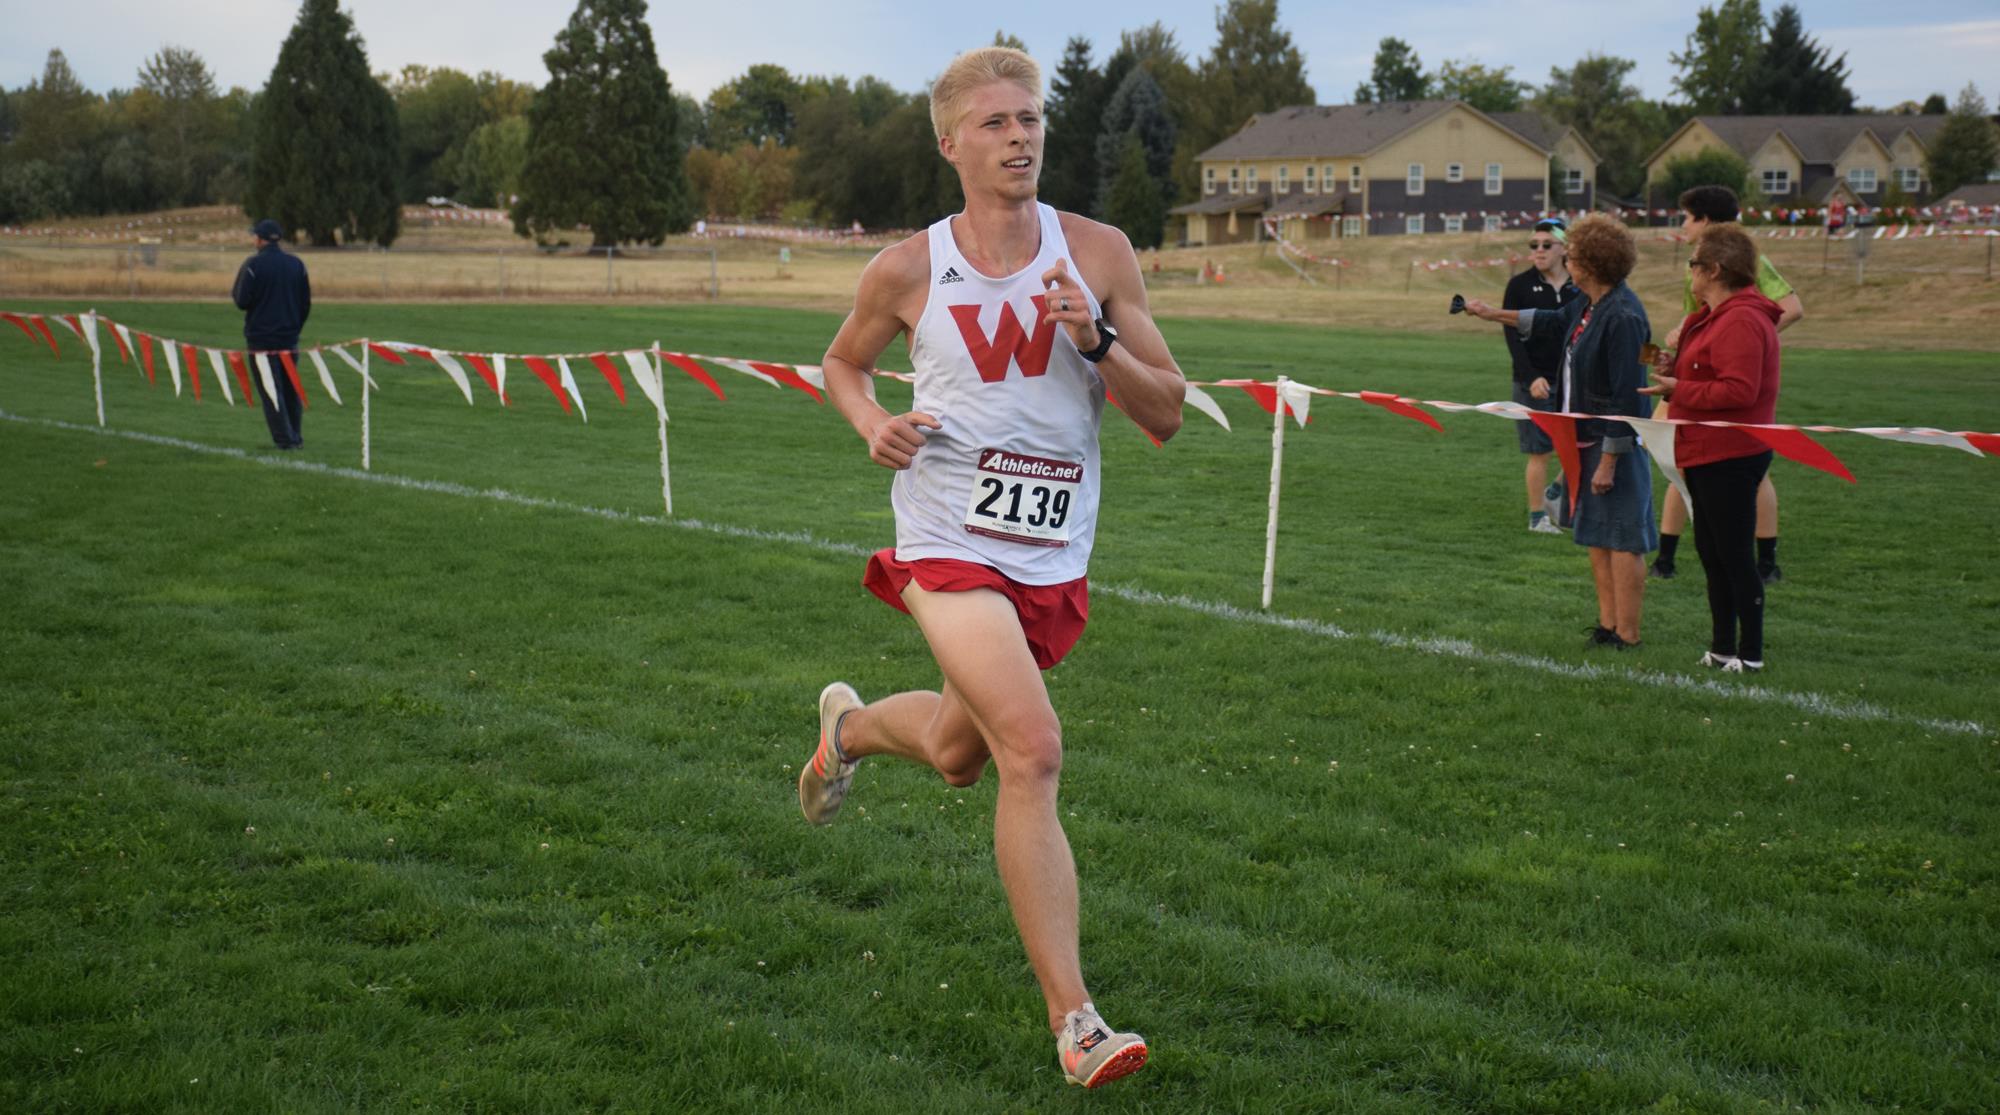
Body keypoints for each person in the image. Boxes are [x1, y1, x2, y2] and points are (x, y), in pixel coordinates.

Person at [801, 46, 1186, 1089]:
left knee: (959, 750)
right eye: (995, 124)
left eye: (1030, 119)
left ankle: (845, 730)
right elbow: (841, 361)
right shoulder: (908, 266)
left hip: (1049, 547)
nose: (1019, 138)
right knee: (1031, 748)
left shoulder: (1096, 251)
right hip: (943, 538)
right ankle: (1077, 1021)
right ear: (949, 144)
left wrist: (1095, 340)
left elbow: (1165, 409)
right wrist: (871, 417)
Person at [1461, 214, 1655, 649]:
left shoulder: (1622, 315)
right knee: (1596, 537)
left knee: (1623, 540)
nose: (1567, 258)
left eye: (1575, 253)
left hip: (1612, 447)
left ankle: (1629, 633)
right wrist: (1492, 313)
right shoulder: (1589, 305)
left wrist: (1609, 461)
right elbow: (1548, 320)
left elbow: (1628, 398)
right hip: (1581, 443)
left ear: (1592, 262)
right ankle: (1607, 626)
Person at [1639, 225, 1781, 672]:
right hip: (1703, 448)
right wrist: (1673, 369)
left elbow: (1740, 390)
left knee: (1734, 555)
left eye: (1694, 264)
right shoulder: (1714, 315)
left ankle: (1751, 655)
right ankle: (1722, 650)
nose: (1691, 273)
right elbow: (1708, 373)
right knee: (1711, 552)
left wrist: (1680, 387)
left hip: (1731, 451)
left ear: (1714, 270)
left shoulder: (1742, 318)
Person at [1650, 185, 1803, 584]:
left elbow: (1791, 307)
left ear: (1704, 221)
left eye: (1686, 216)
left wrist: (1744, 345)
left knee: (1747, 468)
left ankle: (1765, 562)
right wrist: (1685, 338)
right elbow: (1699, 319)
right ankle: (1665, 556)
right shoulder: (1699, 265)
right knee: (1671, 455)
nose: (1682, 225)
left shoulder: (1739, 259)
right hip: (1690, 376)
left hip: (1720, 386)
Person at [1499, 218, 1579, 533]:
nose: (1539, 251)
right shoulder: (1519, 286)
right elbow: (1512, 338)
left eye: (1547, 244)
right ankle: (1538, 518)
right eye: (1534, 245)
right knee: (1540, 451)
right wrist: (1531, 377)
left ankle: (1554, 493)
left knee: (1581, 444)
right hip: (1532, 383)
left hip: (1571, 381)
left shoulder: (1579, 284)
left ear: (1564, 248)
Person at [231, 218, 312, 450]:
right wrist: (295, 327)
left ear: (260, 239)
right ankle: (295, 435)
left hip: (261, 340)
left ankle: (284, 440)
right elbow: (305, 303)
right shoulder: (297, 265)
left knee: (271, 390)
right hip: (289, 339)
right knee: (290, 388)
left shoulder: (253, 265)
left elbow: (241, 300)